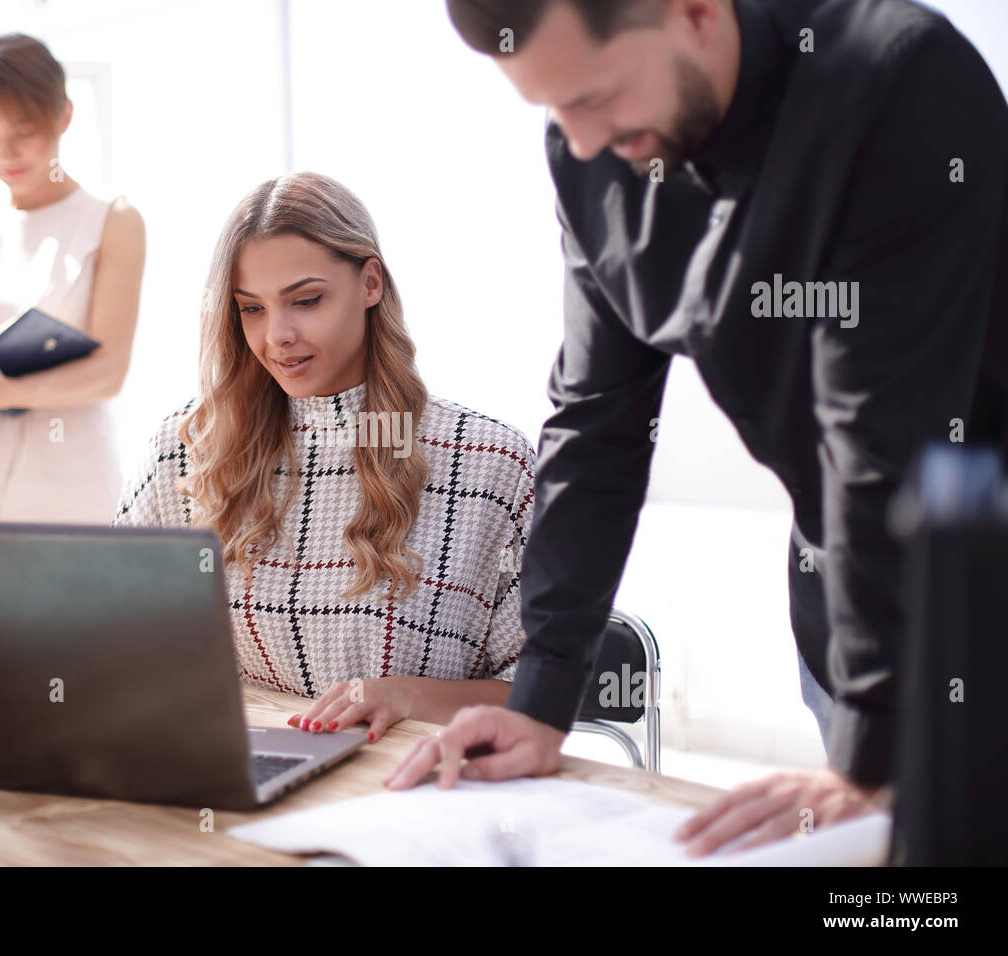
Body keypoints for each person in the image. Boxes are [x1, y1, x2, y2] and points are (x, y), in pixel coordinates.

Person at [387, 0, 1008, 856]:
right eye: (552, 110)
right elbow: (596, 421)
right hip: (852, 604)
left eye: (595, 97)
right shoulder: (598, 155)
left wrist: (875, 750)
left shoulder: (896, 78)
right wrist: (538, 701)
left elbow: (878, 434)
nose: (578, 140)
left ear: (695, 12)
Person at [112, 171, 538, 741]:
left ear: (371, 283)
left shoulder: (488, 463)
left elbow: (540, 693)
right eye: (251, 309)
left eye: (306, 300)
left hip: (414, 795)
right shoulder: (186, 449)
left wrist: (406, 695)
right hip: (228, 788)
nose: (276, 336)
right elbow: (108, 639)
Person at [0, 33, 146, 523]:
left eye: (23, 131)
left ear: (64, 116)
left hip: (68, 484)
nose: (5, 154)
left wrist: (2, 391)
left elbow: (109, 372)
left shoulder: (112, 221)